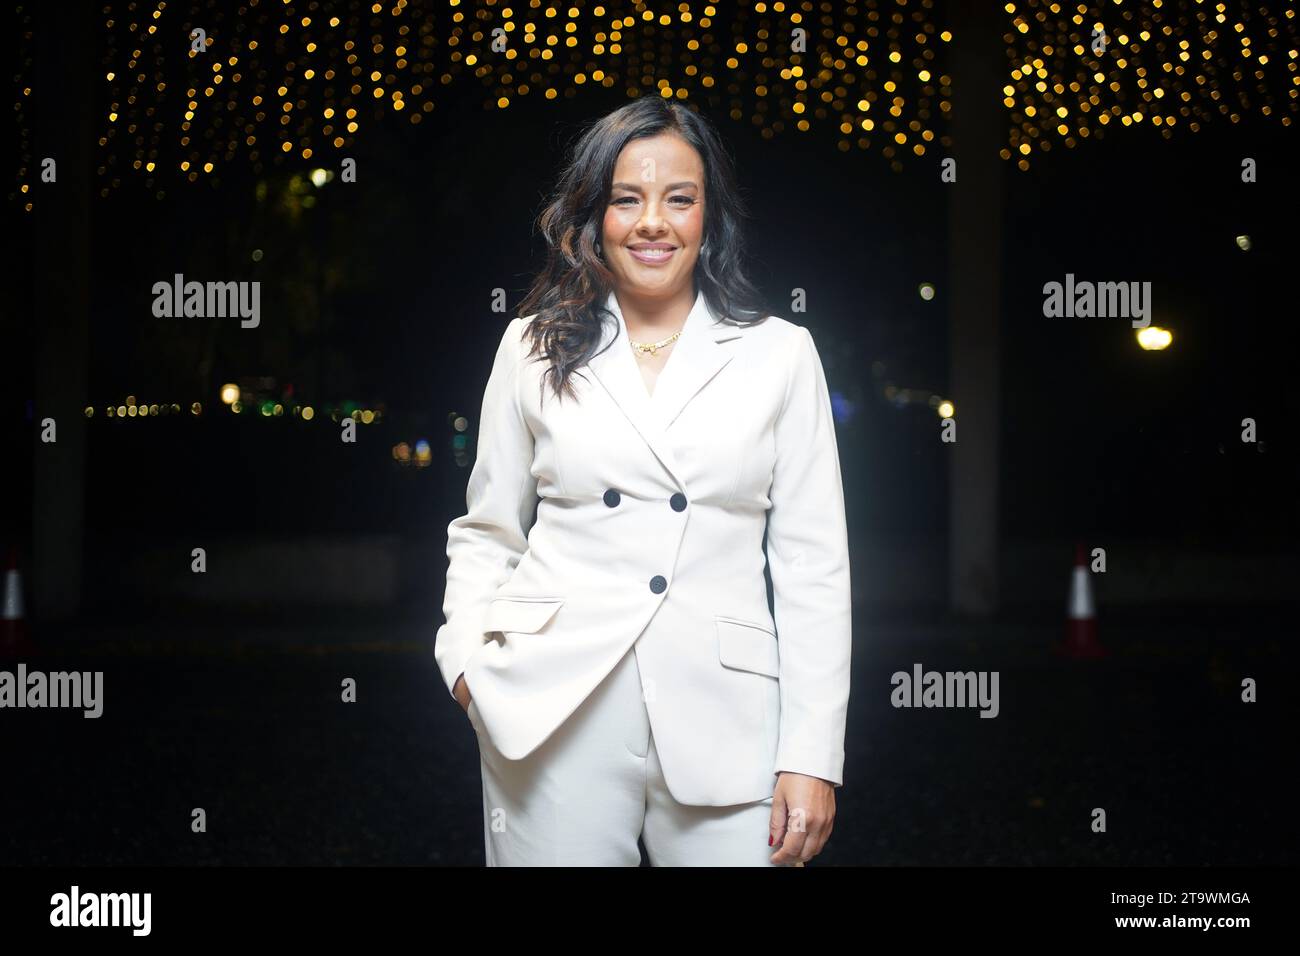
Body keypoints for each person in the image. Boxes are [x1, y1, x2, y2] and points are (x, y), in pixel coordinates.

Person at [435, 97, 852, 866]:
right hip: (549, 710)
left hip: (729, 721)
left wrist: (813, 753)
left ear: (709, 216)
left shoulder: (780, 354)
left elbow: (813, 567)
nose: (653, 222)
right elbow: (486, 531)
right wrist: (466, 666)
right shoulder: (530, 346)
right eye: (627, 199)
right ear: (596, 216)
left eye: (679, 199)